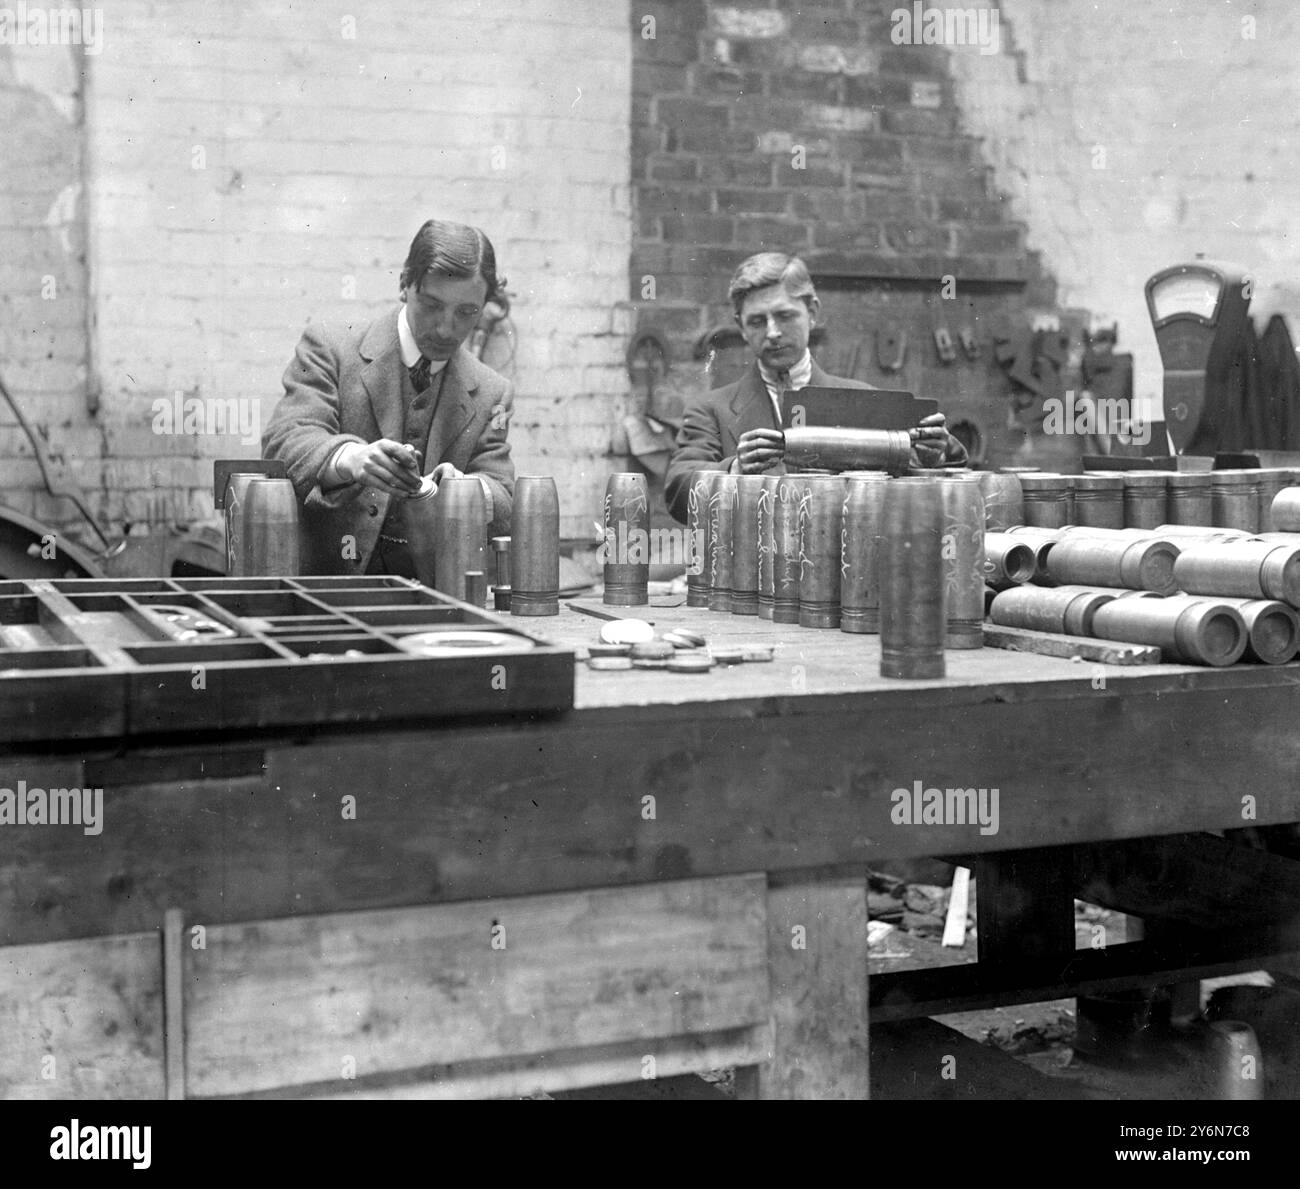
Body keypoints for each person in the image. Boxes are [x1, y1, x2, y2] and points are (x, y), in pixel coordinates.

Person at [264, 219, 515, 576]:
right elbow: (285, 441)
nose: (446, 328)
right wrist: (351, 459)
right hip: (328, 592)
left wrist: (467, 491)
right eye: (432, 304)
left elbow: (504, 496)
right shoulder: (330, 347)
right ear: (404, 285)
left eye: (466, 312)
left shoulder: (492, 391)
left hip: (429, 596)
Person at [664, 252, 967, 523]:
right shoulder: (710, 410)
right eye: (757, 321)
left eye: (784, 316)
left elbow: (946, 481)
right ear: (741, 327)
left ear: (812, 312)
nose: (772, 332)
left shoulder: (862, 399)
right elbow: (678, 491)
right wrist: (734, 470)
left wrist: (930, 457)